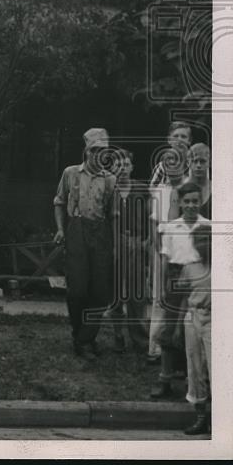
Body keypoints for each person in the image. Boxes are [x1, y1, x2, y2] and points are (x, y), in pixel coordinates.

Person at [53, 128, 119, 360]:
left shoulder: (110, 180)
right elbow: (59, 203)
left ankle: (85, 340)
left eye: (103, 151)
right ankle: (79, 334)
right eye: (94, 150)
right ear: (86, 151)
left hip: (101, 234)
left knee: (99, 292)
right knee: (77, 291)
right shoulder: (70, 173)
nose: (98, 155)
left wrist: (114, 244)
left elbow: (113, 215)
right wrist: (61, 230)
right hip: (76, 233)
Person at [151, 182, 208, 400]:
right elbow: (165, 259)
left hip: (199, 279)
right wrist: (164, 284)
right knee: (170, 329)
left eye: (195, 201)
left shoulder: (207, 225)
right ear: (181, 203)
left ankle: (192, 382)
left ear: (201, 200)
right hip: (176, 279)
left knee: (194, 331)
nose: (192, 205)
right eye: (187, 201)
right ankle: (164, 380)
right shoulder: (171, 227)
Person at [103, 148, 151, 355]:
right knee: (115, 294)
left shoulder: (142, 188)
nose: (122, 169)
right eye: (118, 165)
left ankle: (140, 338)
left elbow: (151, 216)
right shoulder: (108, 190)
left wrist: (147, 241)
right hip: (115, 242)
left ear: (132, 167)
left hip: (136, 243)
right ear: (112, 168)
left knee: (136, 294)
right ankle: (118, 336)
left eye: (126, 165)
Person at [181, 211, 211, 435]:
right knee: (195, 368)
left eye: (207, 240)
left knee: (216, 367)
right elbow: (182, 295)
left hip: (215, 318)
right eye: (198, 240)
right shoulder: (189, 265)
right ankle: (201, 416)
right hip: (192, 316)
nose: (203, 244)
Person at [183, 143, 211, 218]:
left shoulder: (217, 189)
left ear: (209, 163)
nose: (198, 165)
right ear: (188, 163)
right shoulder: (179, 188)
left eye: (202, 161)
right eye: (194, 161)